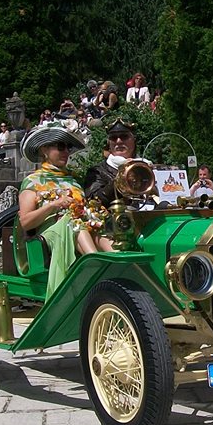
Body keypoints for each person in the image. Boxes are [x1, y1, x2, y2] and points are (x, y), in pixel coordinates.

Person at [18, 122, 110, 297]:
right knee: (73, 221)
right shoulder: (33, 181)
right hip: (50, 233)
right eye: (61, 147)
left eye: (67, 147)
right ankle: (96, 264)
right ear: (44, 149)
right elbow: (25, 222)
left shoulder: (74, 179)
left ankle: (118, 261)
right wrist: (53, 205)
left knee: (98, 223)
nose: (66, 152)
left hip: (77, 228)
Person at [85, 118, 138, 207]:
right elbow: (94, 201)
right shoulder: (97, 171)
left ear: (134, 139)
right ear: (109, 143)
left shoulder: (147, 166)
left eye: (124, 136)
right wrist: (122, 179)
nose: (119, 141)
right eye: (113, 138)